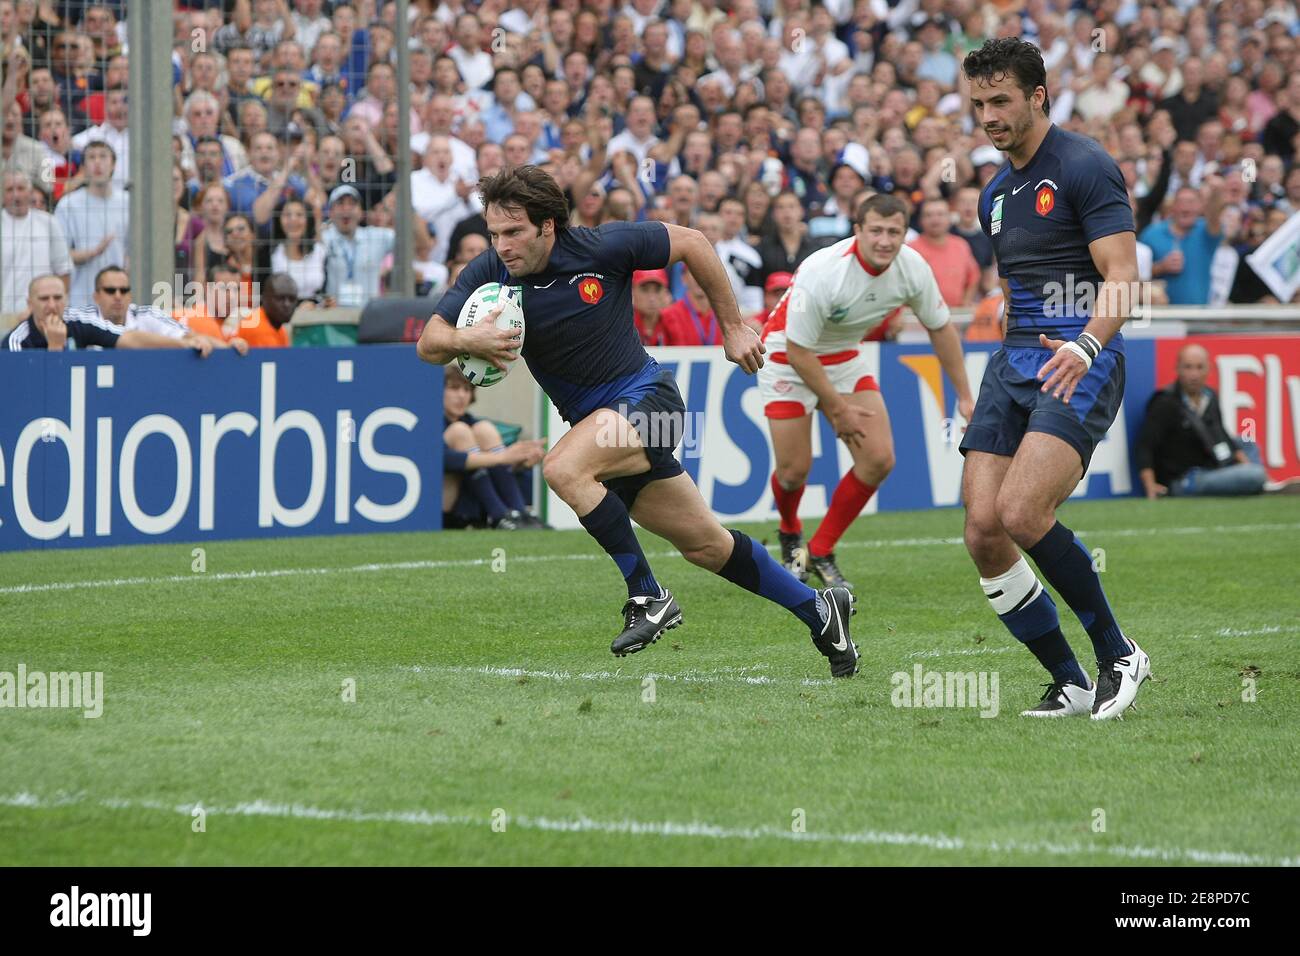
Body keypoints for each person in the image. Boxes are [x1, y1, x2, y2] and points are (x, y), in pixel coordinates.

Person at [417, 164, 861, 677]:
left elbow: (694, 242)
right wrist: (464, 340)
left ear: (548, 226)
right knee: (707, 546)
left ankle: (647, 596)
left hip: (650, 403)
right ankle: (820, 610)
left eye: (513, 232)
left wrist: (734, 326)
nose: (503, 245)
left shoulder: (603, 247)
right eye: (495, 233)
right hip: (605, 430)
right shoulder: (490, 271)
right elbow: (430, 340)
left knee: (562, 468)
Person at [959, 38, 1149, 721]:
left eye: (1001, 100)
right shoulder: (995, 195)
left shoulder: (1085, 165)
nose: (988, 115)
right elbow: (1022, 285)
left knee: (1022, 512)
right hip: (1014, 361)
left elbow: (1124, 280)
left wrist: (1088, 344)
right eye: (978, 102)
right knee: (983, 529)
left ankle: (1117, 652)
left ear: (1038, 95)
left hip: (1082, 362)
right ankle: (1067, 680)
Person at [760, 193, 974, 591]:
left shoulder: (912, 267)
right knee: (793, 472)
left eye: (894, 232)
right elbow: (798, 350)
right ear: (857, 230)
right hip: (787, 353)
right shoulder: (823, 271)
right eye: (875, 230)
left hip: (842, 355)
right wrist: (837, 408)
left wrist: (964, 396)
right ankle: (790, 530)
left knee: (878, 459)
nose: (884, 240)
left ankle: (820, 550)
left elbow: (941, 327)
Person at [1135, 343, 1290, 498]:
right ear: (1177, 369)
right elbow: (1145, 446)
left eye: (1199, 367)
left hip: (1214, 466)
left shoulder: (1210, 396)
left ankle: (1263, 482)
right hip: (1188, 478)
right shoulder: (1165, 402)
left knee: (1246, 443)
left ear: (1209, 369)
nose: (1194, 374)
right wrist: (1150, 487)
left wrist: (1246, 463)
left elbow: (1222, 435)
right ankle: (1259, 481)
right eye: (1188, 367)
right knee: (1253, 475)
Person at [442, 364, 547, 530]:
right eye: (454, 388)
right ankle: (498, 515)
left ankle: (518, 513)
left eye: (467, 389)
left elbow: (493, 465)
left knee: (485, 429)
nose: (462, 395)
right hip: (443, 509)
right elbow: (445, 460)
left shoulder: (472, 423)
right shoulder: (432, 423)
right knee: (460, 432)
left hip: (473, 504)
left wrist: (519, 461)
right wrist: (503, 457)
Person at [3, 273, 209, 352]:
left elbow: (128, 339)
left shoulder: (78, 322)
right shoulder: (17, 341)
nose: (52, 305)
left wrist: (184, 344)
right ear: (30, 304)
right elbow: (34, 391)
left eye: (57, 298)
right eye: (44, 299)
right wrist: (56, 348)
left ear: (65, 300)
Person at [52, 139, 127, 308]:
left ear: (114, 164)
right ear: (84, 168)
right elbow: (58, 255)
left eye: (103, 156)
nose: (98, 162)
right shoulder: (68, 204)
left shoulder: (128, 203)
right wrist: (92, 253)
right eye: (91, 157)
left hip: (119, 299)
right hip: (81, 300)